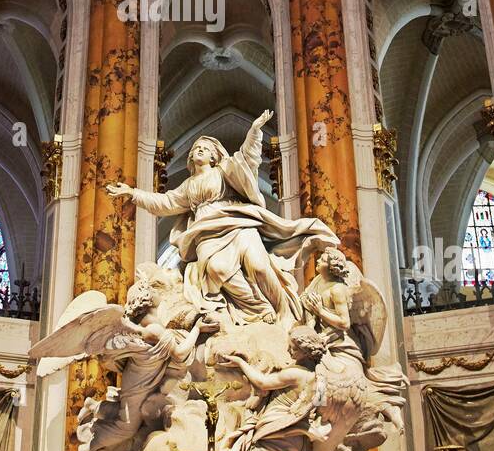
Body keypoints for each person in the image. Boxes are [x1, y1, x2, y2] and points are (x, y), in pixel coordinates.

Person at [107, 111, 339, 324]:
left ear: (214, 156)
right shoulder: (188, 186)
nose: (199, 149)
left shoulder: (224, 171)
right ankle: (258, 308)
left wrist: (255, 131)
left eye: (205, 148)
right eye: (196, 147)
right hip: (206, 232)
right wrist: (133, 194)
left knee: (259, 266)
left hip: (237, 223)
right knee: (218, 269)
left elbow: (247, 159)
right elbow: (165, 202)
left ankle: (285, 313)